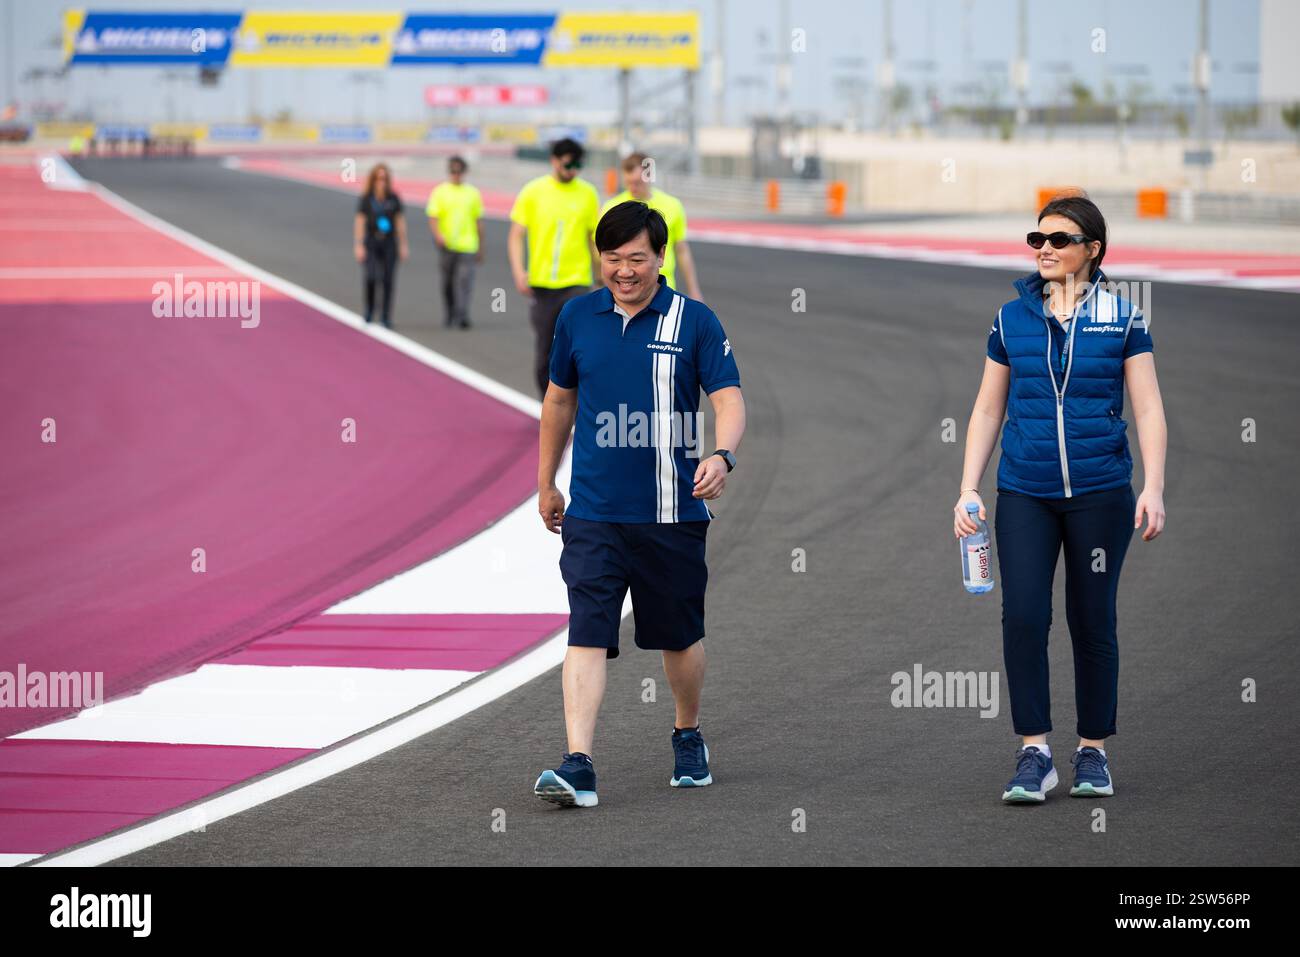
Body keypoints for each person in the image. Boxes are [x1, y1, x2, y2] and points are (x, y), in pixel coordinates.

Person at [953, 192, 1167, 804]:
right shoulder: (1009, 318)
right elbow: (988, 407)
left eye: (1059, 240)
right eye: (1036, 240)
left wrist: (1152, 486)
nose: (1044, 249)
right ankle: (1034, 753)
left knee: (1091, 618)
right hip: (1025, 491)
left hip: (1101, 494)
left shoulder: (1123, 318)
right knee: (1023, 615)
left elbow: (1148, 406)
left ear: (1092, 250)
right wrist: (968, 489)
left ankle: (1093, 753)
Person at [532, 201, 746, 808]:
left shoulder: (694, 321)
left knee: (678, 638)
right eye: (612, 259)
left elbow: (728, 400)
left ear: (660, 257)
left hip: (673, 513)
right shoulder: (577, 317)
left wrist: (722, 456)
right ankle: (579, 763)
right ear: (599, 257)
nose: (623, 271)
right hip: (594, 513)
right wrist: (547, 481)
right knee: (587, 630)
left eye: (636, 259)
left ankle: (686, 732)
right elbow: (558, 403)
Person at [508, 138, 601, 398]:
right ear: (554, 160)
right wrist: (518, 271)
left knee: (583, 348)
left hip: (578, 283)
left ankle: (582, 407)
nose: (573, 169)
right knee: (546, 353)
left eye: (578, 164)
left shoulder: (588, 193)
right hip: (542, 286)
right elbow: (516, 235)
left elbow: (593, 239)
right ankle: (549, 406)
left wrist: (603, 274)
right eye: (568, 162)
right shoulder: (533, 191)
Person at [600, 151, 702, 300]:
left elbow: (682, 250)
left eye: (637, 182)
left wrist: (694, 290)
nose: (633, 187)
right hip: (623, 287)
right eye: (629, 182)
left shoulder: (672, 205)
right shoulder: (611, 207)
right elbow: (603, 252)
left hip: (663, 287)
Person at [425, 155, 484, 329]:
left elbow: (478, 221)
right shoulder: (440, 192)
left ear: (464, 172)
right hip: (447, 245)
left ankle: (462, 314)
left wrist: (481, 245)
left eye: (459, 171)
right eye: (453, 171)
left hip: (468, 245)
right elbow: (433, 216)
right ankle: (450, 311)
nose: (456, 174)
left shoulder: (473, 193)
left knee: (465, 281)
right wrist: (438, 235)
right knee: (448, 282)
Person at [353, 163, 408, 328]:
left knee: (388, 279)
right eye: (378, 178)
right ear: (373, 179)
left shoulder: (393, 198)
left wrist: (403, 244)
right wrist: (358, 245)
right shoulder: (366, 199)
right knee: (371, 276)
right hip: (371, 241)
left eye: (384, 178)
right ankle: (369, 310)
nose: (381, 182)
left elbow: (399, 222)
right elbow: (360, 222)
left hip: (389, 242)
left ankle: (385, 316)